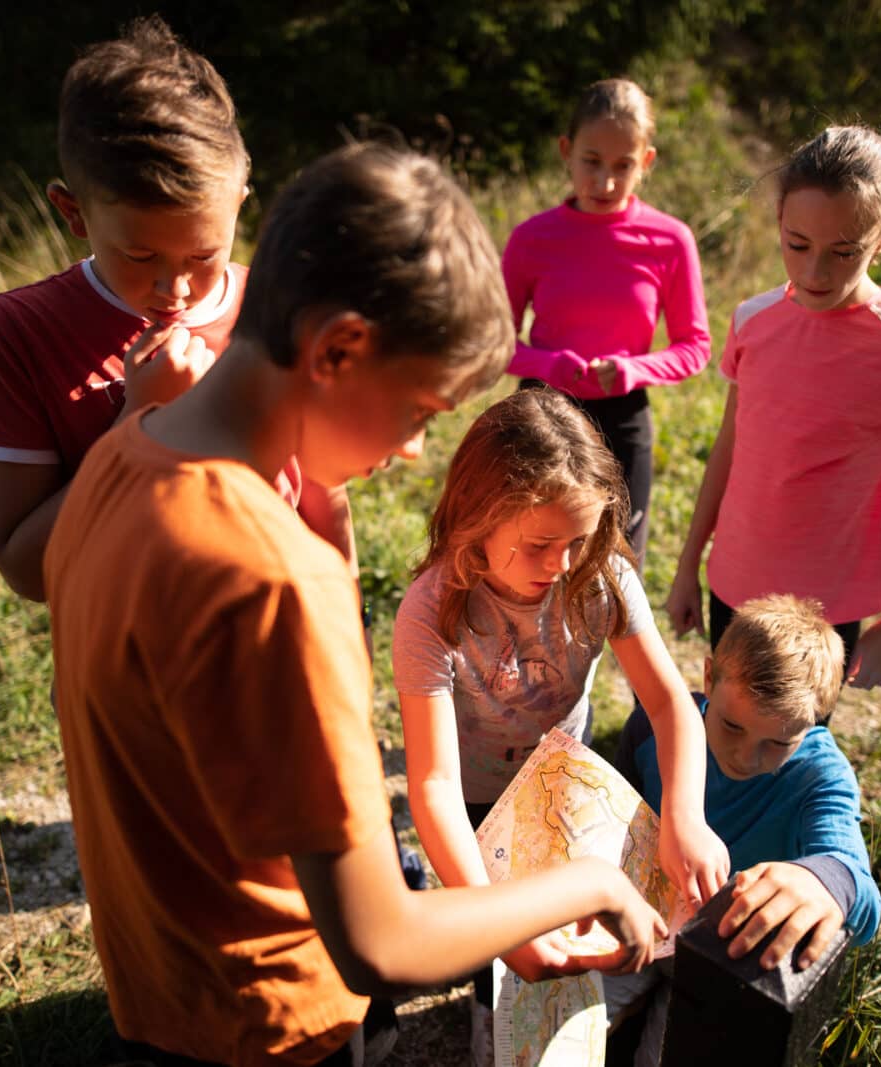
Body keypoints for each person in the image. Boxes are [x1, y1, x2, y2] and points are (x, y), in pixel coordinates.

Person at [44, 142, 668, 1067]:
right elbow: (378, 941)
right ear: (338, 348)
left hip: (158, 989)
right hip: (276, 1024)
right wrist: (577, 883)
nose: (418, 448)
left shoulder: (119, 456)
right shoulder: (276, 582)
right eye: (420, 409)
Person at [0, 15, 355, 604]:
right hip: (126, 674)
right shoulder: (22, 332)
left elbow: (321, 492)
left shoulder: (273, 303)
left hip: (277, 646)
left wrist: (349, 612)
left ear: (239, 206)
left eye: (204, 254)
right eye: (139, 255)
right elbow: (25, 569)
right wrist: (140, 425)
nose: (174, 288)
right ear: (73, 213)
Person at [392, 387, 729, 1067]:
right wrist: (491, 921)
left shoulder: (602, 578)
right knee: (500, 955)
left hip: (562, 788)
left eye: (577, 539)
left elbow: (668, 703)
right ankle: (490, 1005)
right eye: (539, 544)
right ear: (474, 521)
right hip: (475, 803)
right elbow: (430, 782)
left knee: (567, 935)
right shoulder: (429, 615)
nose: (561, 564)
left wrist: (684, 815)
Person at [665, 124, 881, 689]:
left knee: (786, 742)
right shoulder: (752, 320)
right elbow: (730, 447)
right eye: (797, 245)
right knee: (727, 717)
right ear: (778, 221)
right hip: (734, 579)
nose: (814, 272)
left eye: (843, 251)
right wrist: (687, 567)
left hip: (825, 607)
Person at [606, 593, 881, 1066]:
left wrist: (824, 881)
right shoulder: (655, 727)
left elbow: (860, 891)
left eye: (778, 742)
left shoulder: (822, 777)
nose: (745, 757)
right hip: (639, 920)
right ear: (709, 676)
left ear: (818, 716)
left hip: (724, 960)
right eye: (732, 726)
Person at [501, 78, 711, 563]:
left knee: (614, 569)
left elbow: (694, 344)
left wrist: (633, 369)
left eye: (623, 167)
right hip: (541, 415)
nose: (605, 183)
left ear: (647, 162)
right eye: (591, 162)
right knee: (530, 559)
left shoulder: (670, 240)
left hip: (624, 420)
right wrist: (549, 366)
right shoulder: (533, 238)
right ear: (566, 150)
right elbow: (494, 342)